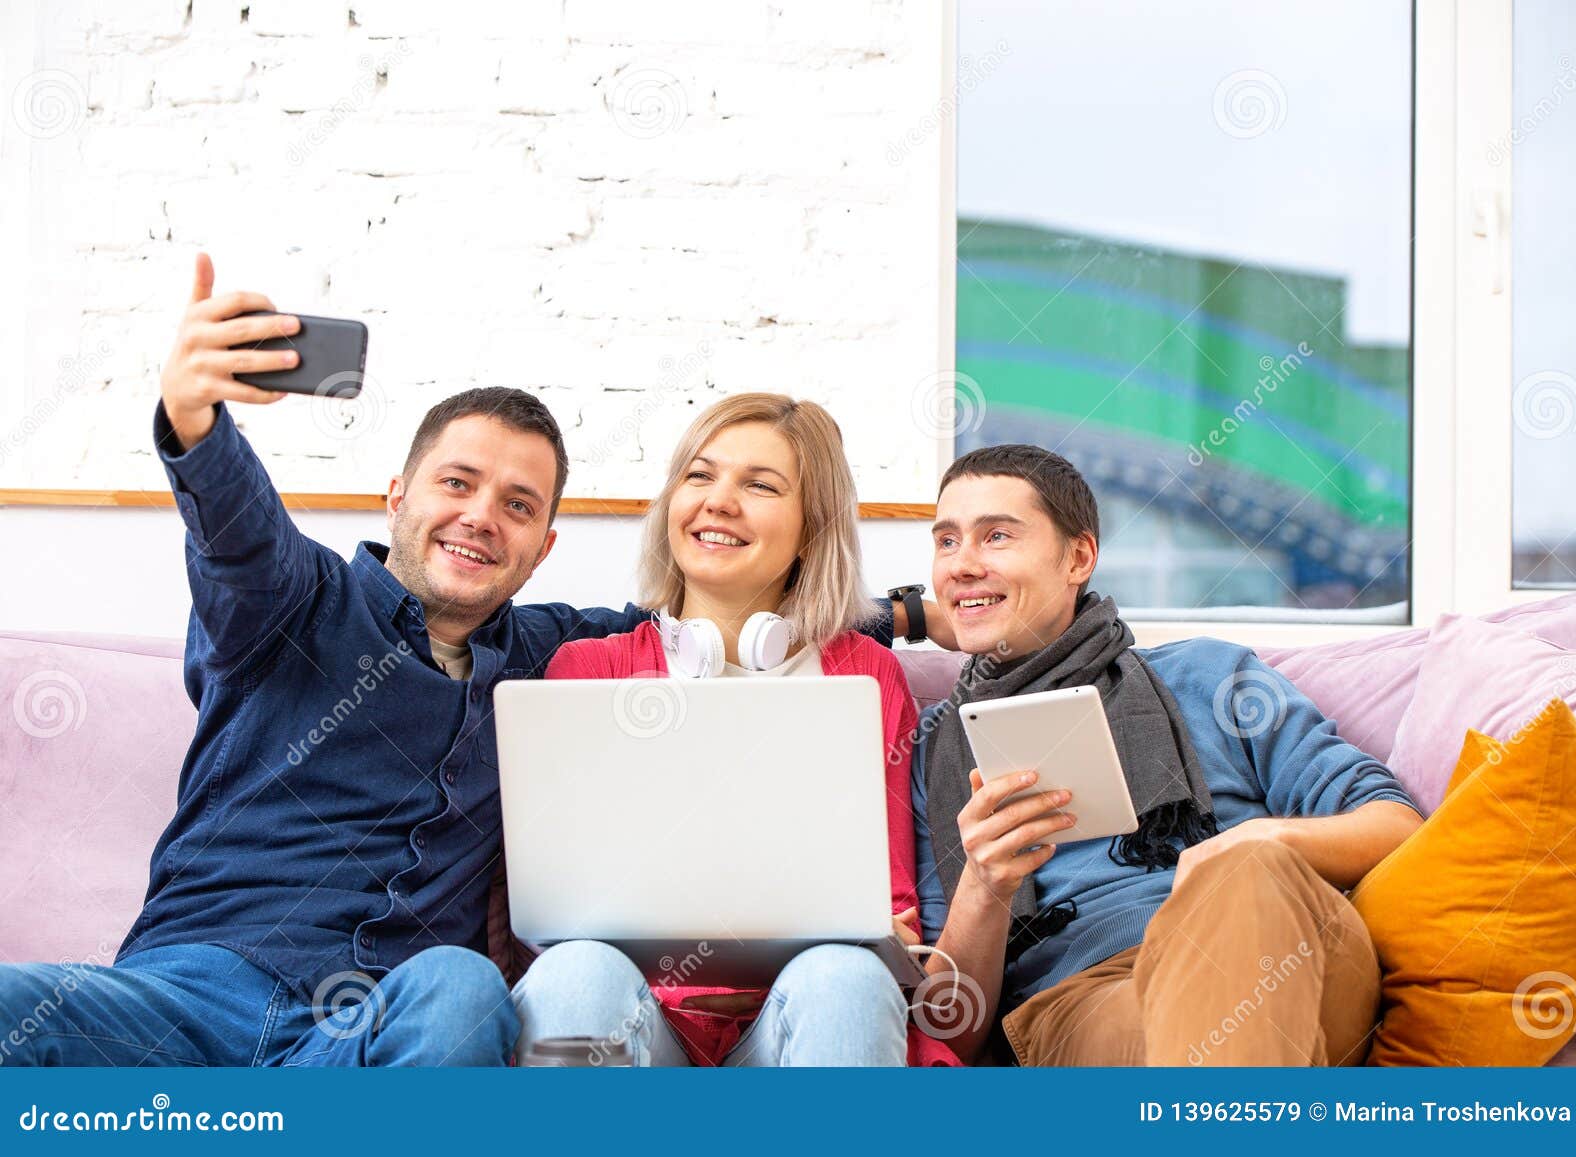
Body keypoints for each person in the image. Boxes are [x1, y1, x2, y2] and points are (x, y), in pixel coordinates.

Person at [0, 256, 925, 1067]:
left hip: (384, 1028)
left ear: (545, 545)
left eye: (519, 505)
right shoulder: (295, 601)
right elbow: (240, 538)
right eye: (457, 483)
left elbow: (713, 609)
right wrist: (194, 426)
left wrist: (914, 612)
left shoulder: (548, 652)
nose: (483, 515)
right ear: (396, 494)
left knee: (461, 984)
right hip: (193, 995)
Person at [909, 443, 1423, 1066]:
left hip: (1293, 954)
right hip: (1093, 998)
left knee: (1244, 880)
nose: (961, 564)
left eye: (995, 536)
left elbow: (1397, 826)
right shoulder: (933, 749)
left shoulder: (1211, 676)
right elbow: (951, 1029)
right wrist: (985, 887)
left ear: (1079, 557)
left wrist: (1255, 846)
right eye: (946, 542)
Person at [507, 393, 959, 1067]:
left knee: (848, 978)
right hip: (639, 1024)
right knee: (574, 975)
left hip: (792, 1020)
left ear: (811, 529)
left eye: (760, 484)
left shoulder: (865, 674)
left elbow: (893, 905)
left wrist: (881, 932)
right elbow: (554, 921)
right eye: (700, 475)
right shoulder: (588, 669)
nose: (719, 500)